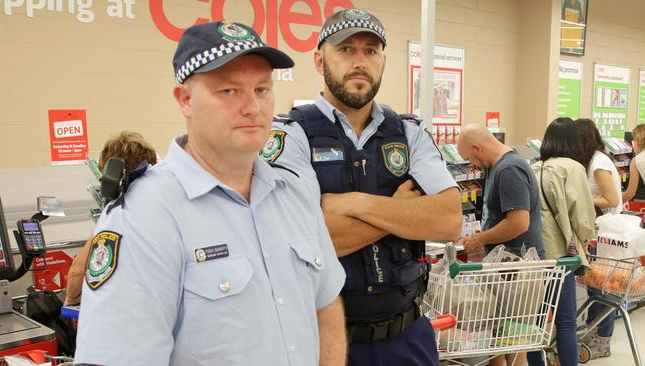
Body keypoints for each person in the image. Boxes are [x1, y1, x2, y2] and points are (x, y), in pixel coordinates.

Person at [74, 21, 347, 366]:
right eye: (229, 91)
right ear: (185, 100)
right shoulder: (145, 216)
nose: (252, 107)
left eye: (262, 90)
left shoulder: (293, 193)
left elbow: (326, 308)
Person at [261, 8, 461, 366]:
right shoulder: (292, 136)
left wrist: (350, 202)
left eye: (370, 50)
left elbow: (448, 219)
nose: (360, 61)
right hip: (328, 343)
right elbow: (303, 241)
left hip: (408, 338)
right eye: (346, 49)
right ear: (320, 61)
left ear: (383, 60)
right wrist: (403, 211)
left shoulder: (408, 133)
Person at [457, 124, 545, 366]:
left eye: (469, 159)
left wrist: (480, 238)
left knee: (513, 342)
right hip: (504, 268)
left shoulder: (509, 169)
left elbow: (519, 223)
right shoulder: (498, 167)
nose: (471, 166)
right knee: (497, 339)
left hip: (517, 271)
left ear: (477, 148)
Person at [64, 131, 158, 306]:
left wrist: (70, 299)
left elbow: (78, 272)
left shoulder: (117, 213)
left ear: (111, 175)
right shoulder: (164, 206)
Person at [529, 117, 596, 366]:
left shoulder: (533, 168)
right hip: (560, 256)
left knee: (534, 322)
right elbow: (582, 216)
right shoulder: (572, 168)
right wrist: (586, 239)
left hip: (533, 257)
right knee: (565, 321)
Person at [575, 118, 622, 360]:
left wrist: (580, 198)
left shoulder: (598, 164)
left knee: (602, 290)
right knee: (597, 289)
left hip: (604, 235)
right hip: (599, 233)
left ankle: (601, 339)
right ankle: (594, 334)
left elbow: (612, 199)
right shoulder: (593, 160)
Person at [622, 124, 645, 203]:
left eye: (634, 140)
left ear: (639, 141)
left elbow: (630, 193)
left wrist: (616, 203)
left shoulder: (637, 160)